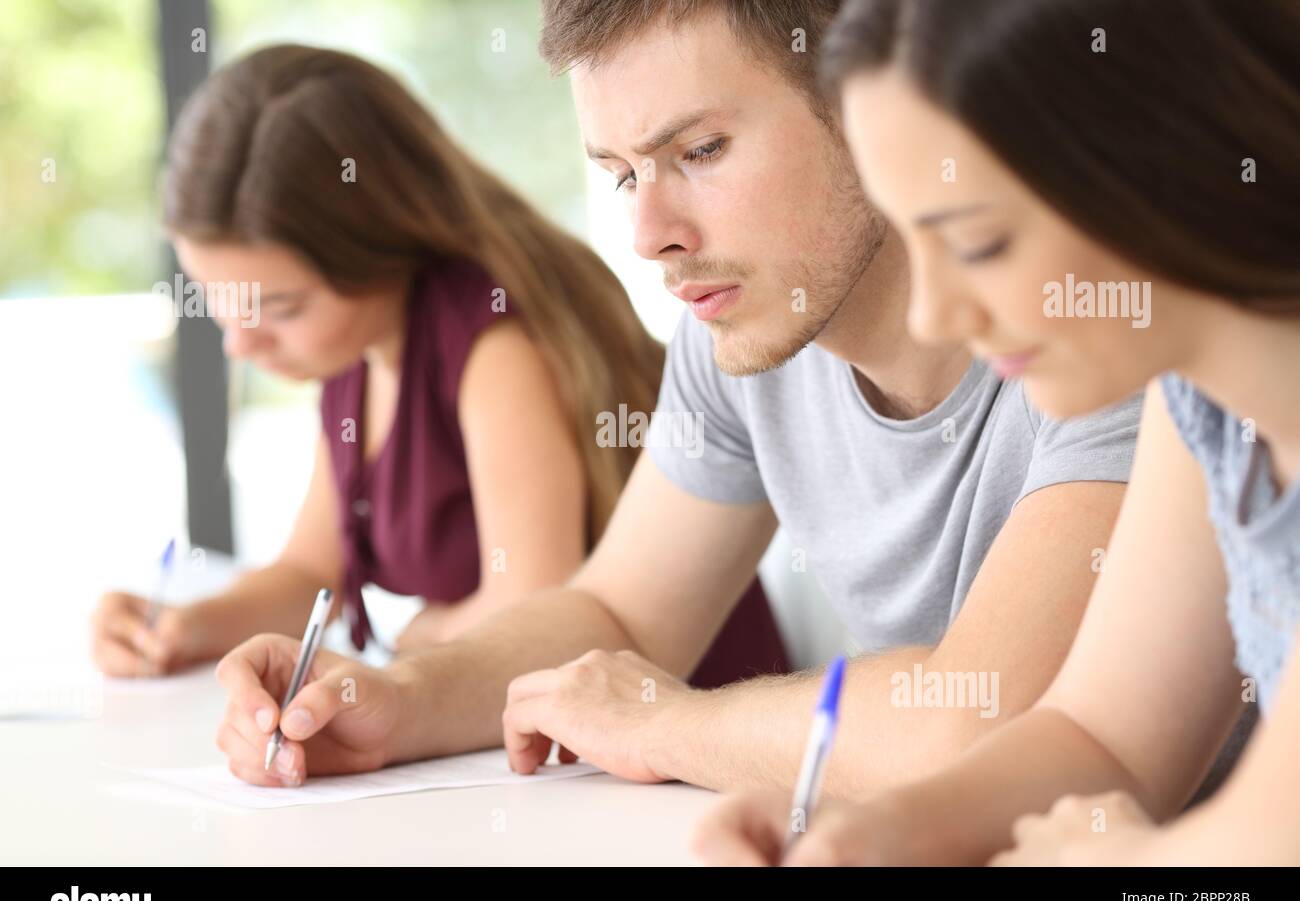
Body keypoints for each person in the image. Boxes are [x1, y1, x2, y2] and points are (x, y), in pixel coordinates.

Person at [212, 2, 1141, 794]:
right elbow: (618, 614)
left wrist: (670, 726)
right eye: (620, 173)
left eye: (699, 150)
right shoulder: (737, 333)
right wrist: (400, 701)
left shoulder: (1104, 317)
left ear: (866, 96)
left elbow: (974, 716)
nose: (647, 234)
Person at [695, 0, 1299, 865]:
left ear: (1165, 157)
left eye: (975, 241)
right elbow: (1106, 740)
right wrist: (876, 836)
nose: (937, 314)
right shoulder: (1201, 397)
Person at [90, 44, 785, 700]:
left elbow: (529, 603)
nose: (241, 345)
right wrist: (181, 627)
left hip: (677, 735)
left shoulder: (489, 340)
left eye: (281, 307)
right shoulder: (352, 351)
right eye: (222, 304)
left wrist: (411, 637)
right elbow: (309, 571)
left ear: (383, 245)